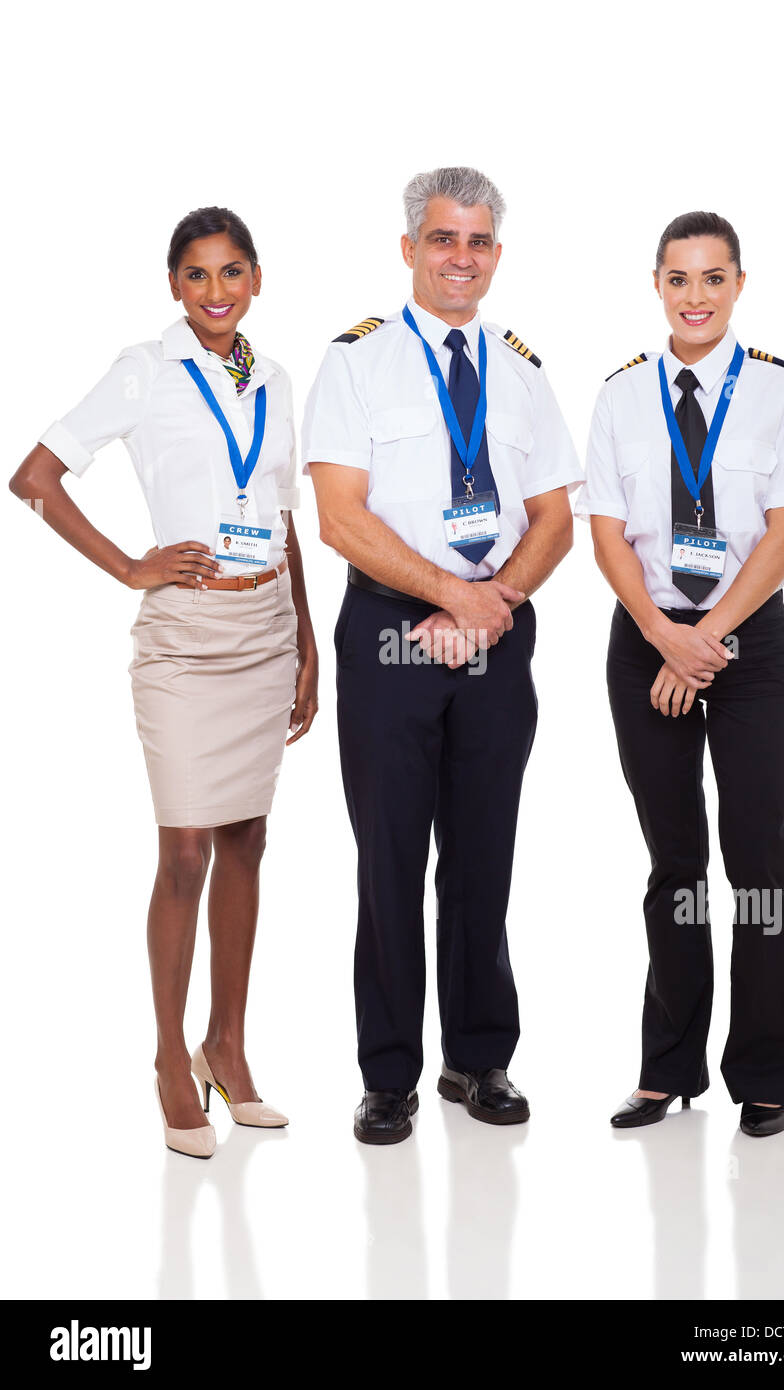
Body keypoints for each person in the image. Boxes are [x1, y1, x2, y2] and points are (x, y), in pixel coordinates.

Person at [9, 207, 319, 1158]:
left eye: (232, 273)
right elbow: (35, 475)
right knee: (184, 850)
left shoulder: (273, 378)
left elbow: (280, 512)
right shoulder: (145, 369)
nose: (216, 292)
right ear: (175, 287)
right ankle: (167, 1058)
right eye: (197, 276)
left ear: (257, 278)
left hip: (266, 627)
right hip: (186, 642)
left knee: (249, 838)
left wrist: (310, 641)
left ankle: (228, 1045)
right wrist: (129, 566)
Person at [303, 166, 582, 1144]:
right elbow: (339, 517)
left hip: (496, 632)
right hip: (390, 635)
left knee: (482, 852)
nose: (458, 257)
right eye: (440, 239)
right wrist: (449, 595)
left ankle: (479, 1057)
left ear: (494, 255)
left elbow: (554, 514)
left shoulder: (519, 366)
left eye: (475, 242)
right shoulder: (357, 361)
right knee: (387, 856)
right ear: (408, 249)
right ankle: (389, 1074)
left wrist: (490, 600)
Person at [577, 210, 784, 1137]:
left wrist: (708, 643)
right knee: (675, 863)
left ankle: (766, 1073)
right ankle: (668, 1067)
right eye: (679, 279)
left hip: (751, 649)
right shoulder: (619, 396)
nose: (696, 296)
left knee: (757, 861)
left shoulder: (776, 391)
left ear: (739, 285)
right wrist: (663, 635)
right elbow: (607, 535)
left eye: (713, 278)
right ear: (656, 285)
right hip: (647, 641)